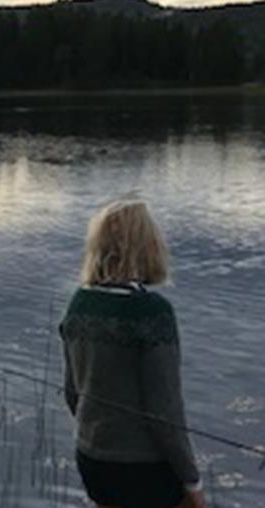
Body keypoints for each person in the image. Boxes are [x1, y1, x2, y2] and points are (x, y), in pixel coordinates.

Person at [59, 199, 205, 508]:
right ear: (149, 245)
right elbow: (165, 413)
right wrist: (193, 481)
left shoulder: (79, 303)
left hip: (91, 460)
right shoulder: (151, 313)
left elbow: (73, 394)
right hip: (144, 471)